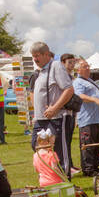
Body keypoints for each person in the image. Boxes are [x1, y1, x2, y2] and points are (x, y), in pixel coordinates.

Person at [29, 42, 75, 172]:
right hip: (41, 119)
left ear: (47, 54)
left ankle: (64, 181)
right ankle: (49, 177)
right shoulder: (40, 72)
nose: (35, 59)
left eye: (37, 55)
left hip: (57, 118)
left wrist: (54, 108)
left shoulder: (56, 66)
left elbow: (68, 89)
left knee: (60, 151)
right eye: (33, 56)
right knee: (36, 145)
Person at [70, 59, 99, 177]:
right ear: (78, 70)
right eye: (85, 66)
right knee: (88, 144)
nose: (88, 68)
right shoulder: (78, 82)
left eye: (88, 66)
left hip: (96, 119)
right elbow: (80, 95)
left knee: (97, 144)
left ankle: (95, 167)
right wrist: (95, 100)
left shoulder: (89, 80)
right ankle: (88, 169)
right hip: (87, 119)